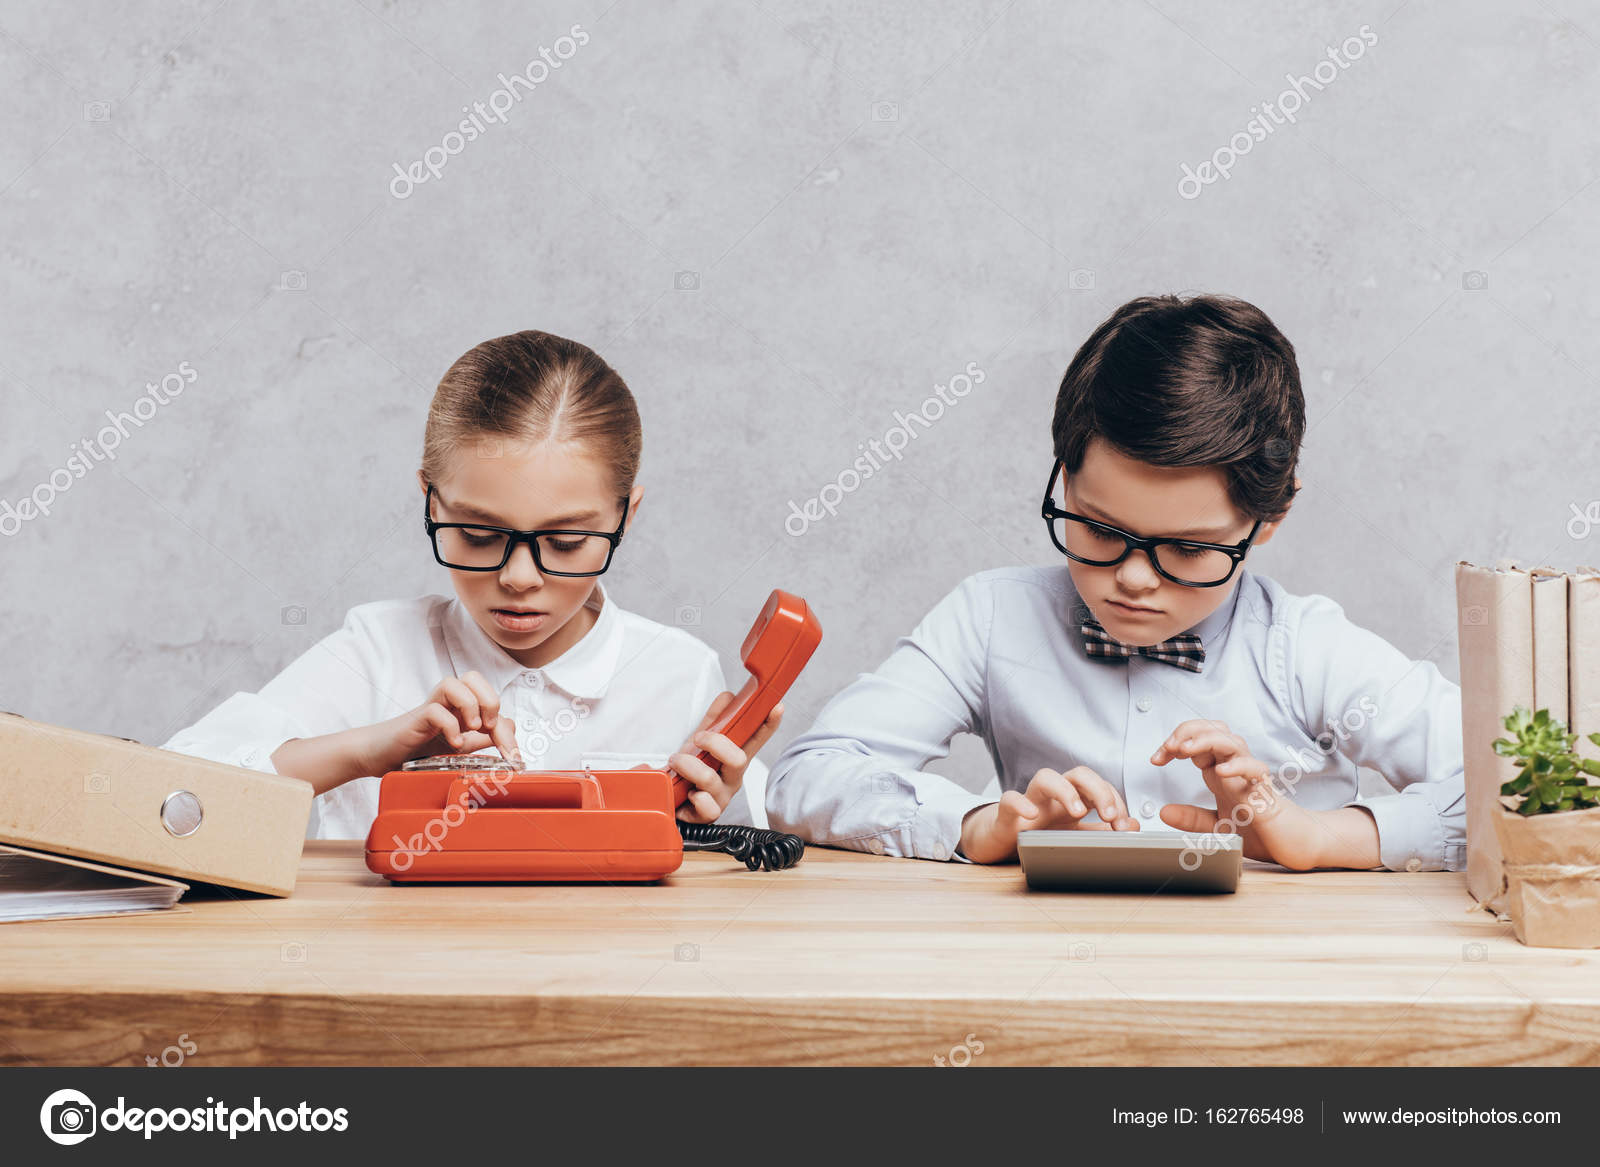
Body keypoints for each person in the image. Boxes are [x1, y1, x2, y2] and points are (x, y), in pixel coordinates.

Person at [767, 294, 1465, 871]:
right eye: (1099, 529)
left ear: (1269, 518)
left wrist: (1317, 838)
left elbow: (1530, 790)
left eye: (1189, 548)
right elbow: (809, 774)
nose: (1132, 580)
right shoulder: (990, 618)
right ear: (1066, 479)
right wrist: (978, 824)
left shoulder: (1308, 648)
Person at [164, 330, 779, 838]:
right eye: (479, 536)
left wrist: (719, 817)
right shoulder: (378, 650)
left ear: (625, 516)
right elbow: (175, 793)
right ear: (431, 503)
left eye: (565, 542)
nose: (518, 579)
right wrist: (370, 752)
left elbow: (761, 858)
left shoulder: (677, 673)